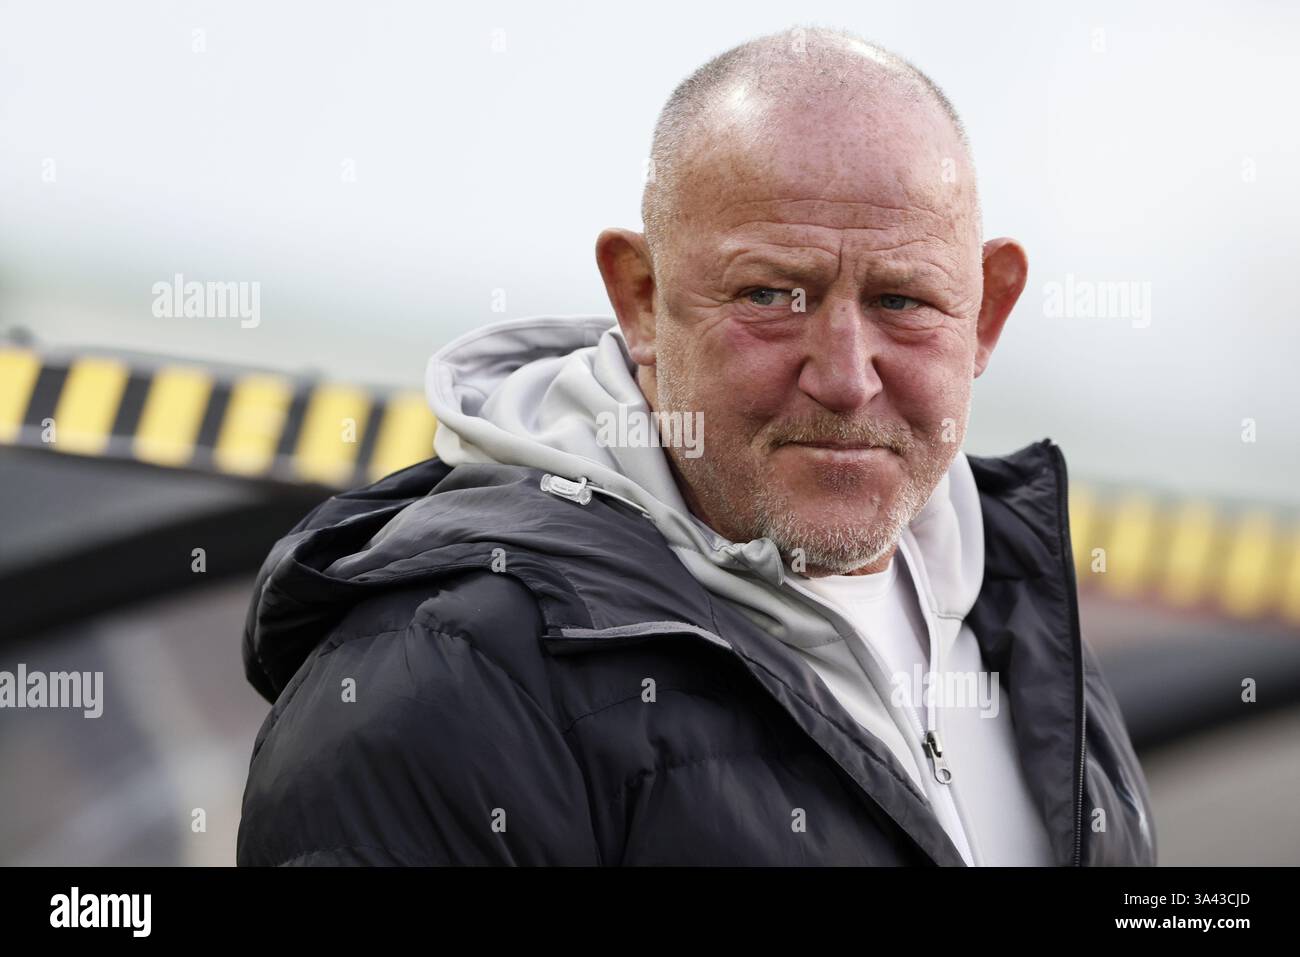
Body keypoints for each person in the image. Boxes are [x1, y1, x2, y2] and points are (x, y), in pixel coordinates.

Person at [237, 25, 1155, 866]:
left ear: (987, 311)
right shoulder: (441, 687)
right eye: (769, 295)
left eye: (902, 302)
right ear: (640, 297)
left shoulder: (1023, 608)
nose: (843, 375)